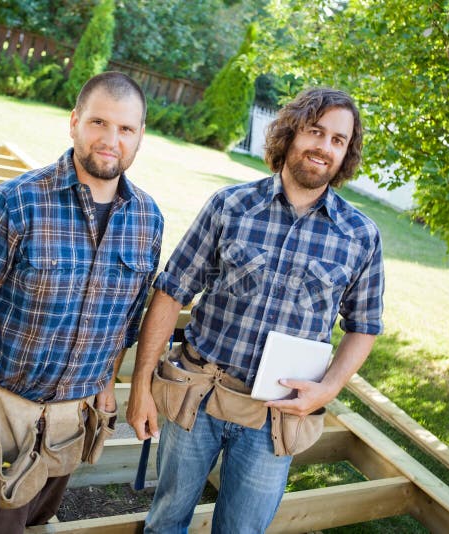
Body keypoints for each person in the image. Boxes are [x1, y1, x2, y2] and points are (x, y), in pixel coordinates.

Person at [127, 87, 384, 533]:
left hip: (275, 416)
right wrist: (141, 384)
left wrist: (327, 390)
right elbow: (171, 292)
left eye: (338, 140)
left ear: (346, 153)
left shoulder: (360, 235)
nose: (324, 147)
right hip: (198, 398)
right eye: (315, 131)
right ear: (290, 134)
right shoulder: (231, 206)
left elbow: (364, 327)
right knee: (165, 521)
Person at [0, 71, 163, 533]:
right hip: (3, 418)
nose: (110, 140)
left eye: (125, 129)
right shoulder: (13, 203)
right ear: (75, 122)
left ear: (140, 137)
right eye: (99, 123)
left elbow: (124, 319)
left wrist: (104, 386)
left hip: (71, 425)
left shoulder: (148, 219)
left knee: (37, 520)